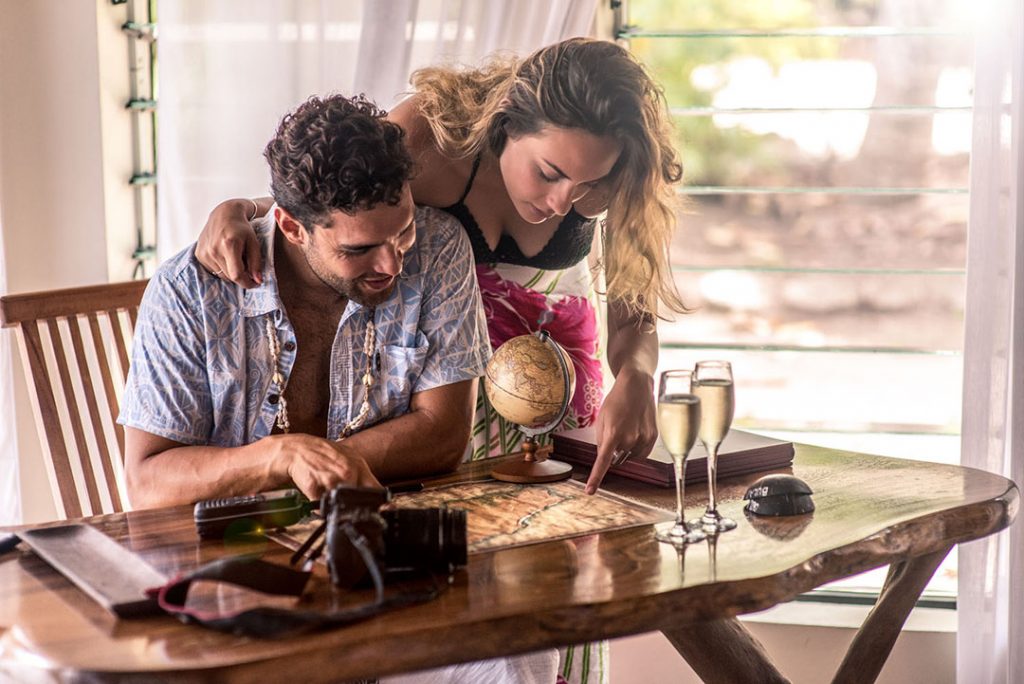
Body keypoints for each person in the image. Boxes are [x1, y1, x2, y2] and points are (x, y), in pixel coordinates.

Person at [197, 38, 687, 504]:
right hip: (441, 385)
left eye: (590, 185)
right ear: (506, 122)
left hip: (551, 381)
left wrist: (639, 376)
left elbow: (632, 305)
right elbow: (333, 209)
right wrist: (240, 208)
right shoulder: (427, 137)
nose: (563, 203)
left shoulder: (626, 174)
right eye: (548, 173)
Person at [119, 94, 491, 509]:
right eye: (359, 248)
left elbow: (445, 437)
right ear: (293, 227)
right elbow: (147, 484)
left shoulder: (439, 246)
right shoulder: (190, 291)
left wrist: (319, 461)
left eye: (403, 232)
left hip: (380, 530)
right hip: (229, 548)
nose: (392, 264)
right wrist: (280, 457)